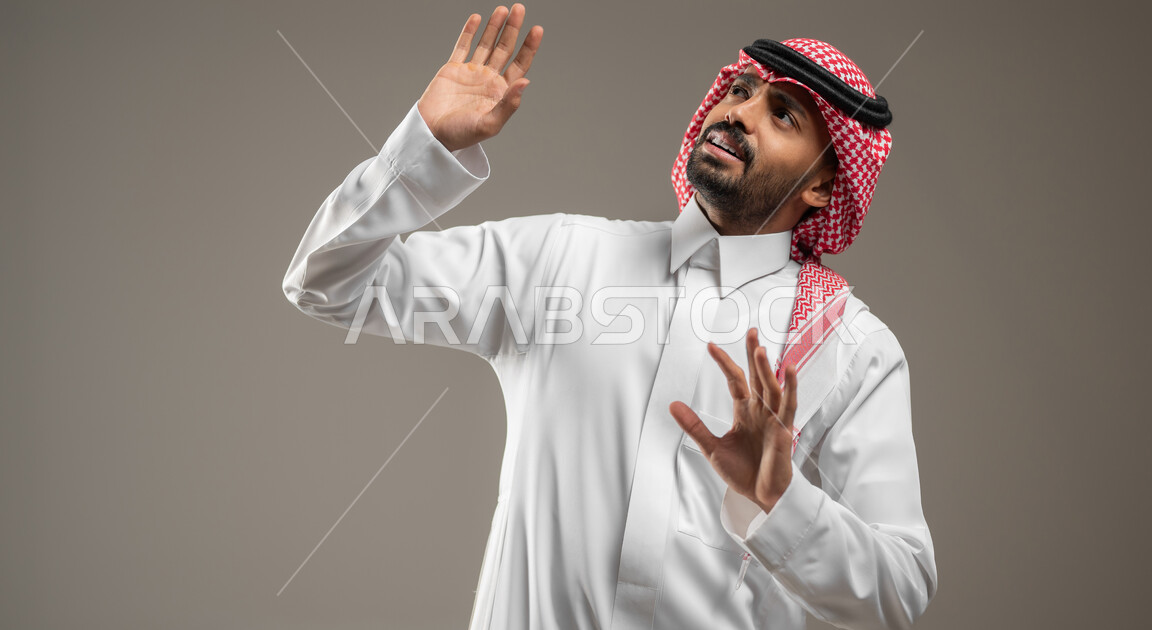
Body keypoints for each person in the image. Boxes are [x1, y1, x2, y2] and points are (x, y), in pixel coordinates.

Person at [281, 4, 937, 629]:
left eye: (784, 115)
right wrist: (423, 150)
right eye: (740, 90)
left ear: (824, 184)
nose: (740, 114)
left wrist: (782, 502)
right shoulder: (559, 259)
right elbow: (326, 282)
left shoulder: (848, 347)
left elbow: (900, 588)